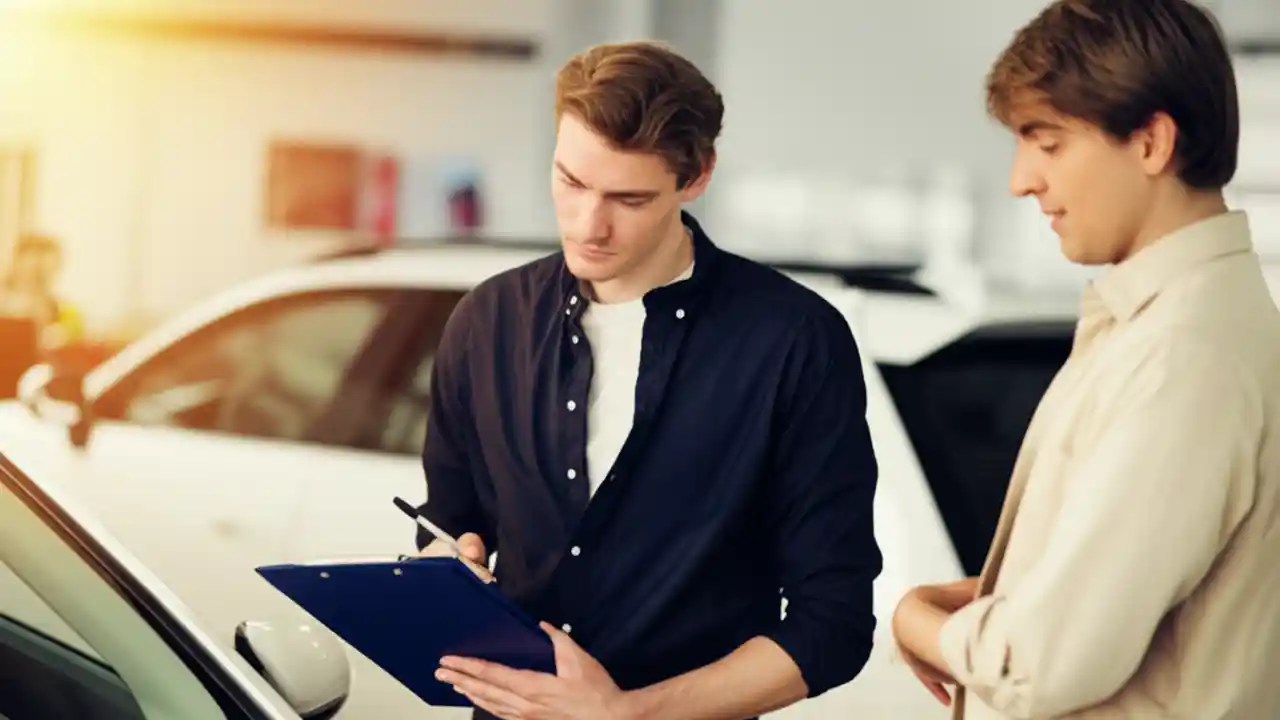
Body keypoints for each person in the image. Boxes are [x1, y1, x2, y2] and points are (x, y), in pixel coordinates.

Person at [417, 41, 882, 720]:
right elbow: (447, 522)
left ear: (697, 177)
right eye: (571, 182)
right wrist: (445, 562)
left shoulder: (795, 341)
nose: (589, 225)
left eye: (629, 199)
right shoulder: (486, 322)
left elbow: (833, 623)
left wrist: (628, 714)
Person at [892, 1, 1280, 717]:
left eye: (1048, 144)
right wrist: (1005, 597)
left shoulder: (1184, 357)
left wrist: (914, 618)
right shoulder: (1171, 329)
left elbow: (1040, 663)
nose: (1021, 180)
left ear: (1151, 142)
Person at [0, 233, 84, 351]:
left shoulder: (67, 313)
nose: (37, 281)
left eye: (44, 276)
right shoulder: (5, 305)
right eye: (33, 272)